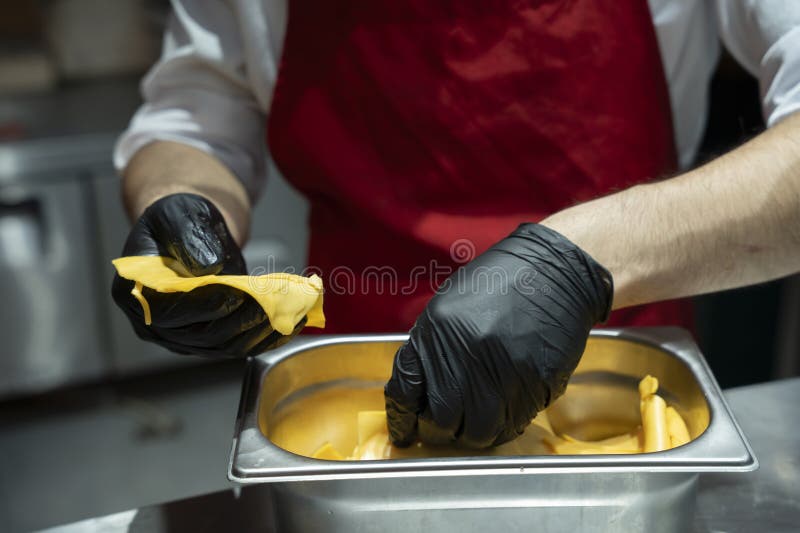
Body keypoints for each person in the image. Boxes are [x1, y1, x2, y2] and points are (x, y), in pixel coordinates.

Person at [112, 1, 800, 448]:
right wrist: (179, 196)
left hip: (609, 372)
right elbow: (196, 112)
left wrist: (572, 267)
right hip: (360, 389)